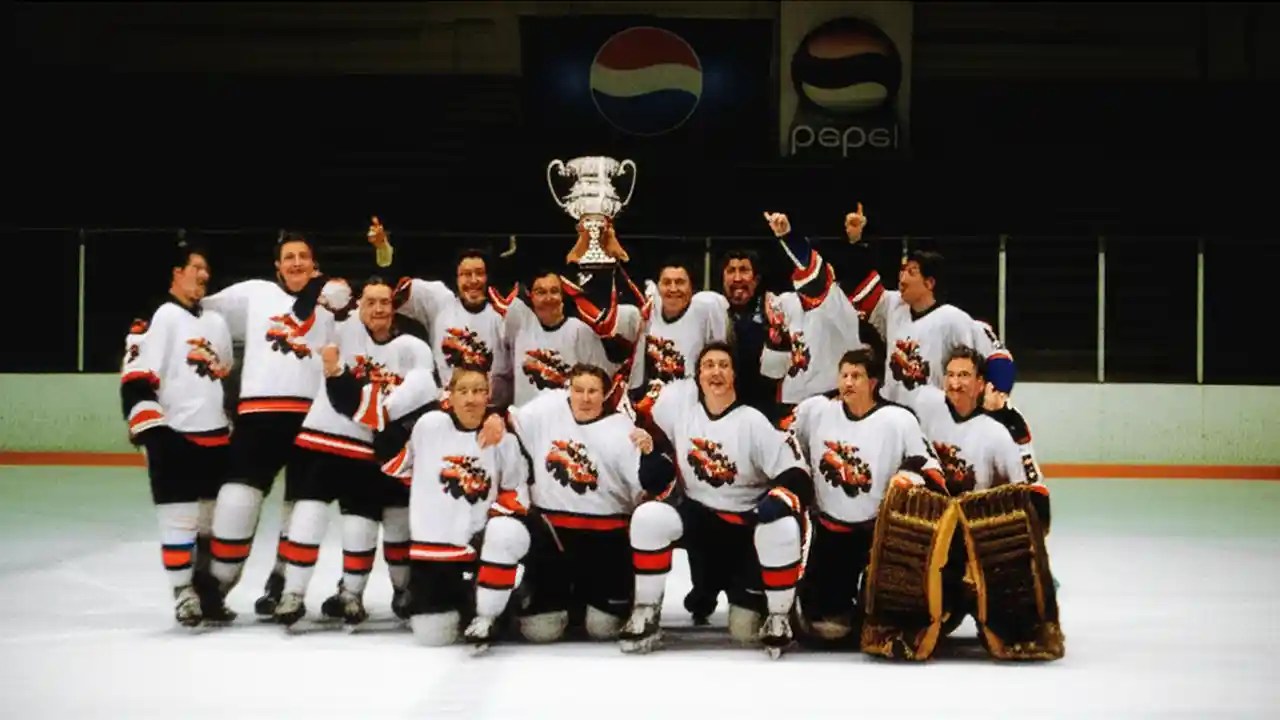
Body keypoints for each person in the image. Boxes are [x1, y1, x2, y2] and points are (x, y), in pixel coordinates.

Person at [862, 346, 1061, 662]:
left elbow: (1031, 501)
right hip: (932, 538)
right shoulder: (924, 407)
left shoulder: (999, 433)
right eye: (951, 375)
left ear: (981, 383)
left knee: (1008, 608)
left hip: (979, 546)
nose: (956, 383)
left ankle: (1009, 611)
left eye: (965, 375)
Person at [621, 343, 812, 658]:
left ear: (735, 374)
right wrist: (649, 449)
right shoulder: (682, 413)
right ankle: (646, 608)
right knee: (649, 517)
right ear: (698, 375)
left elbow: (796, 474)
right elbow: (638, 421)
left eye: (724, 365)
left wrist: (777, 501)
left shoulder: (753, 421)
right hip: (700, 522)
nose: (716, 372)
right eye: (708, 365)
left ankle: (778, 615)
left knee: (745, 631)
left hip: (743, 528)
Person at [271, 278, 436, 627]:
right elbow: (305, 315)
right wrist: (323, 288)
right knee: (309, 516)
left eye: (385, 302)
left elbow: (424, 387)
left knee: (360, 525)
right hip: (321, 440)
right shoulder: (340, 329)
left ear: (394, 307)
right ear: (360, 304)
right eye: (371, 302)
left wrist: (379, 408)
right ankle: (292, 593)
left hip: (365, 451)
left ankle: (352, 594)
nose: (378, 309)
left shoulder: (410, 347)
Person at [202, 231, 350, 618]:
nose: (297, 262)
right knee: (237, 501)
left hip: (312, 420)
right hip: (257, 418)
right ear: (277, 266)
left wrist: (334, 293)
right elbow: (199, 309)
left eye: (303, 256)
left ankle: (283, 584)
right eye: (289, 257)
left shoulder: (331, 300)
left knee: (300, 508)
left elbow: (352, 304)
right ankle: (215, 587)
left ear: (314, 263)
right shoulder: (255, 294)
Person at [483, 363, 675, 647]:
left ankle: (623, 598)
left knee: (603, 629)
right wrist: (494, 418)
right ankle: (529, 600)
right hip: (555, 540)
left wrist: (650, 454)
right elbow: (509, 422)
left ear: (604, 394)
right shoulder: (547, 409)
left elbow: (655, 485)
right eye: (578, 390)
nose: (585, 398)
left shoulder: (622, 430)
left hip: (605, 542)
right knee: (540, 631)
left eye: (593, 391)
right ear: (568, 390)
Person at [780, 348, 945, 646]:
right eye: (844, 375)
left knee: (885, 613)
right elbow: (784, 440)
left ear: (873, 382)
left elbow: (928, 463)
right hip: (829, 531)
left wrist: (907, 476)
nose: (848, 382)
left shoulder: (898, 419)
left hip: (878, 534)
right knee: (823, 623)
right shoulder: (816, 410)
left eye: (856, 376)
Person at [770, 207, 1015, 406]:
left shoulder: (953, 318)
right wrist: (857, 243)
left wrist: (997, 397)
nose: (902, 278)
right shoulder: (892, 305)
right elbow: (845, 281)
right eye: (901, 272)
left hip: (934, 416)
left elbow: (999, 357)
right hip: (892, 414)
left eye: (911, 272)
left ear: (930, 282)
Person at [120, 239, 234, 626]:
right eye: (196, 267)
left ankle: (205, 591)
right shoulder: (161, 317)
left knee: (210, 524)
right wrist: (154, 433)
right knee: (178, 521)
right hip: (175, 435)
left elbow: (224, 374)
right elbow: (134, 380)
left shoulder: (216, 322)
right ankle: (182, 593)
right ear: (176, 272)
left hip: (216, 437)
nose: (204, 275)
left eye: (207, 269)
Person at [380, 366, 532, 647]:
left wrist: (487, 534)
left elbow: (516, 491)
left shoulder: (504, 440)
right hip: (430, 556)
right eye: (463, 391)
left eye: (478, 391)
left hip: (475, 556)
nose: (471, 398)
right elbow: (396, 465)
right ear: (448, 395)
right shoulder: (429, 425)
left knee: (506, 534)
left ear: (489, 396)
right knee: (432, 636)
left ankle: (500, 600)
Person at [370, 220, 515, 408]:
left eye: (479, 273)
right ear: (456, 279)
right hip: (446, 408)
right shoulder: (439, 301)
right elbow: (391, 290)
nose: (473, 280)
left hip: (491, 412)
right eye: (465, 274)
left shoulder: (502, 313)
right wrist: (383, 249)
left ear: (487, 278)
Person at [759, 211, 866, 418]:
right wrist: (776, 339)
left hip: (833, 403)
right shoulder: (786, 303)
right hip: (790, 405)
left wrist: (788, 237)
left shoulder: (838, 304)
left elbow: (813, 274)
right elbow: (771, 372)